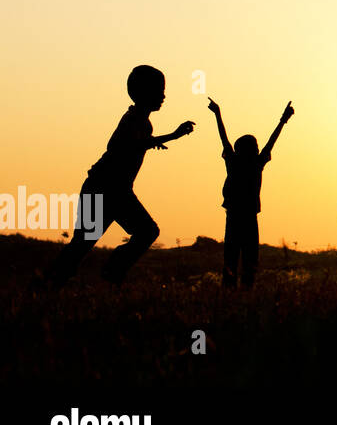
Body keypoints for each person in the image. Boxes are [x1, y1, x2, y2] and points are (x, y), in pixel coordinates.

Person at [45, 65, 195, 288]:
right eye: (159, 90)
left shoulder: (142, 122)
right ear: (143, 92)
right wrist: (171, 136)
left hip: (115, 190)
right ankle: (69, 280)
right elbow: (123, 145)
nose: (163, 96)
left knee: (95, 241)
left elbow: (135, 144)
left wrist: (151, 142)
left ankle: (92, 276)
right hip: (105, 188)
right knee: (89, 242)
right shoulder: (132, 119)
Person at [207, 97, 293, 287]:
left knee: (234, 260)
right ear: (249, 150)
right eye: (254, 146)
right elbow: (272, 141)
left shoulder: (235, 161)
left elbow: (224, 138)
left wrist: (217, 114)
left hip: (236, 217)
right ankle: (243, 292)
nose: (258, 148)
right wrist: (282, 121)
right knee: (248, 261)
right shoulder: (255, 163)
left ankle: (232, 293)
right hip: (246, 217)